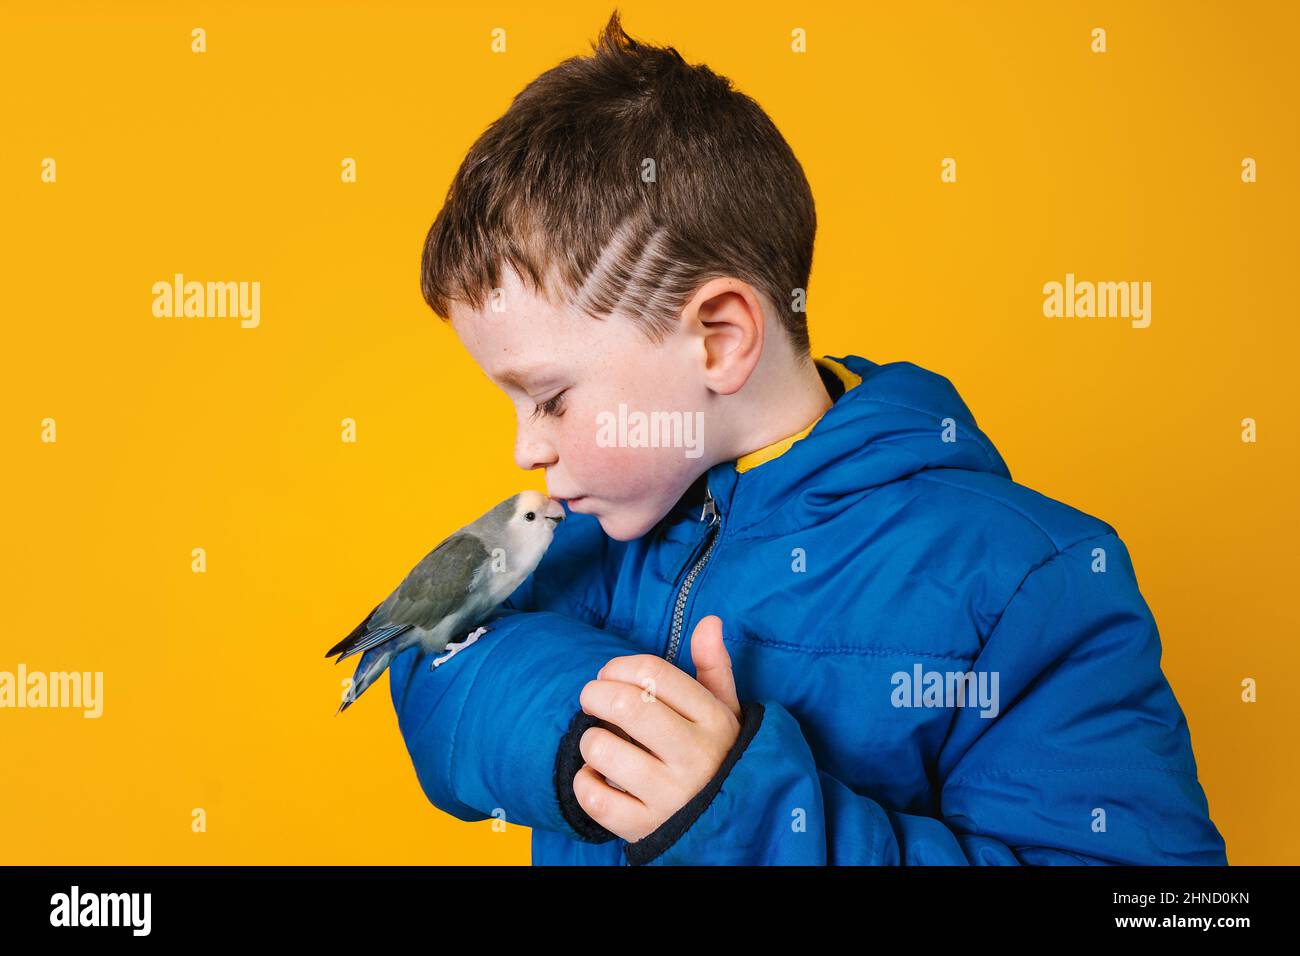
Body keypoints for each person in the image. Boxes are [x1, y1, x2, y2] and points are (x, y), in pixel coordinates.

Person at [387, 11, 1227, 865]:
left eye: (552, 398)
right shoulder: (587, 537)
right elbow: (428, 668)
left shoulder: (1025, 582)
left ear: (717, 338)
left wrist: (741, 818)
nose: (526, 449)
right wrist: (591, 723)